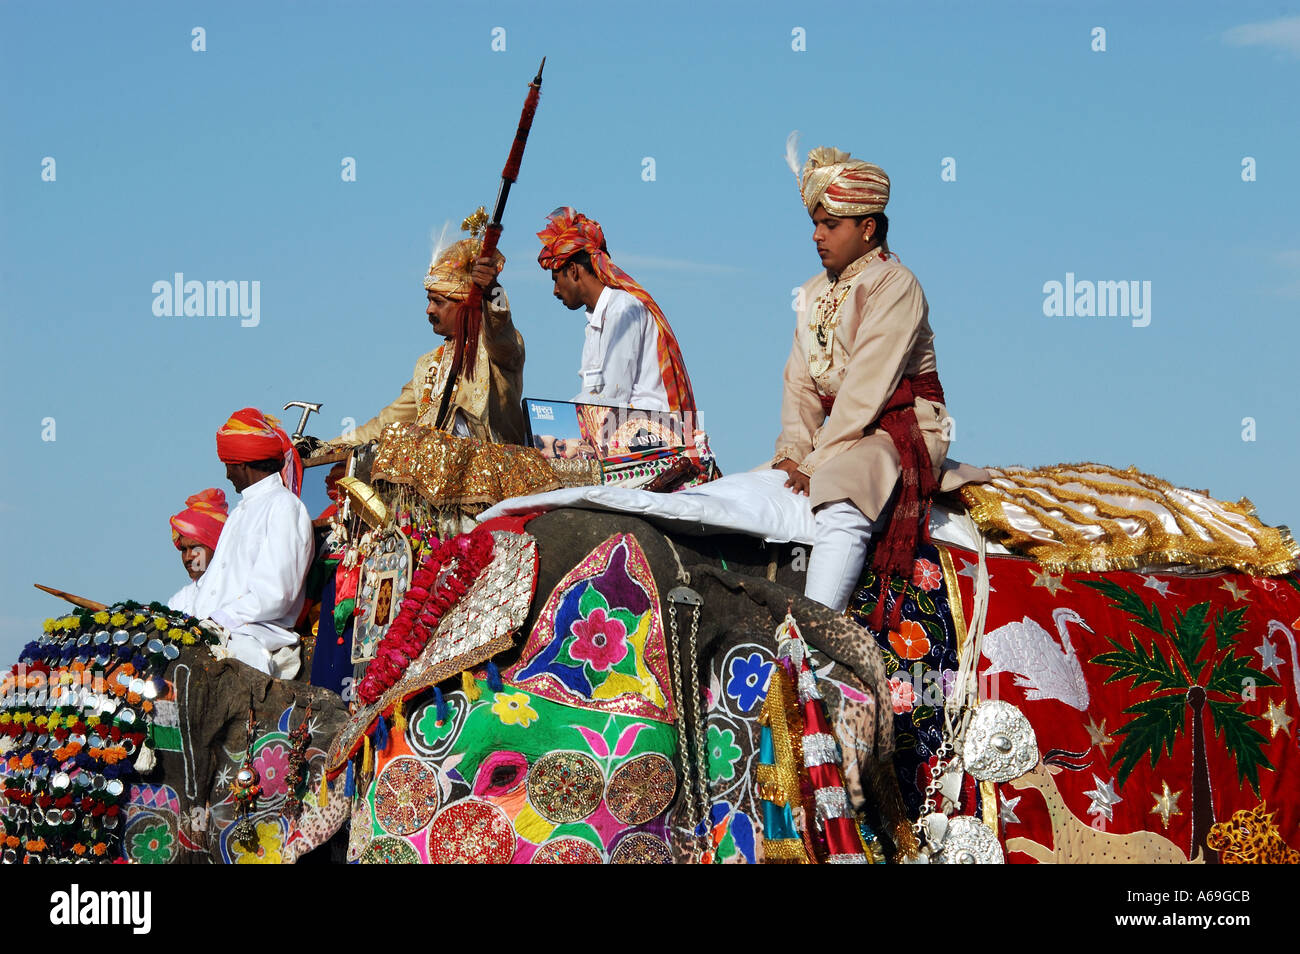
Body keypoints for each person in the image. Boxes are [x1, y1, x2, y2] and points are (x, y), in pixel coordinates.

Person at [774, 146, 976, 617]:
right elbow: (800, 386)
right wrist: (791, 455)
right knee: (764, 485)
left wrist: (818, 461)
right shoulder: (810, 292)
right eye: (815, 224)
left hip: (902, 425)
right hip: (843, 430)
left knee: (841, 495)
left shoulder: (896, 283)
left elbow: (868, 385)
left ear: (868, 228)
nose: (817, 236)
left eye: (830, 225)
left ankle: (816, 640)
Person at [324, 208, 526, 449]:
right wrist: (325, 447)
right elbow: (385, 424)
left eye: (438, 302)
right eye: (428, 301)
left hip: (494, 475)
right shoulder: (428, 365)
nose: (429, 310)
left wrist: (493, 288)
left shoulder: (498, 348)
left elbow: (499, 323)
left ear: (465, 305)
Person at [171, 408, 314, 678]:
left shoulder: (284, 507)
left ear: (243, 465)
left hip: (252, 638)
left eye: (228, 465)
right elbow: (212, 589)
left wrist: (220, 620)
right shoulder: (239, 514)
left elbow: (276, 594)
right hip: (213, 632)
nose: (227, 475)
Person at [537, 208, 696, 419]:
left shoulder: (622, 309)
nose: (556, 291)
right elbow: (593, 394)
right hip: (617, 427)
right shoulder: (595, 322)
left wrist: (554, 418)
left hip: (651, 433)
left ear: (573, 271)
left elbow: (612, 394)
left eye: (556, 279)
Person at [167, 488, 229, 616]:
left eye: (195, 548)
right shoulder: (179, 601)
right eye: (183, 549)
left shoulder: (238, 588)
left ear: (216, 547)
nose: (188, 557)